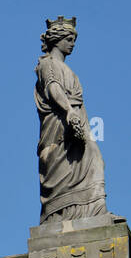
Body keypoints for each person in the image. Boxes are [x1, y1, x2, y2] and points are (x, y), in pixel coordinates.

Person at [36, 17, 107, 223]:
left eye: (74, 39)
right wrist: (68, 111)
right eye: (69, 38)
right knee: (76, 164)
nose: (72, 43)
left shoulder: (69, 70)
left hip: (77, 122)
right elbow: (53, 88)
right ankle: (62, 213)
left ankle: (94, 210)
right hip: (60, 127)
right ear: (57, 40)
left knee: (95, 160)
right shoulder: (47, 65)